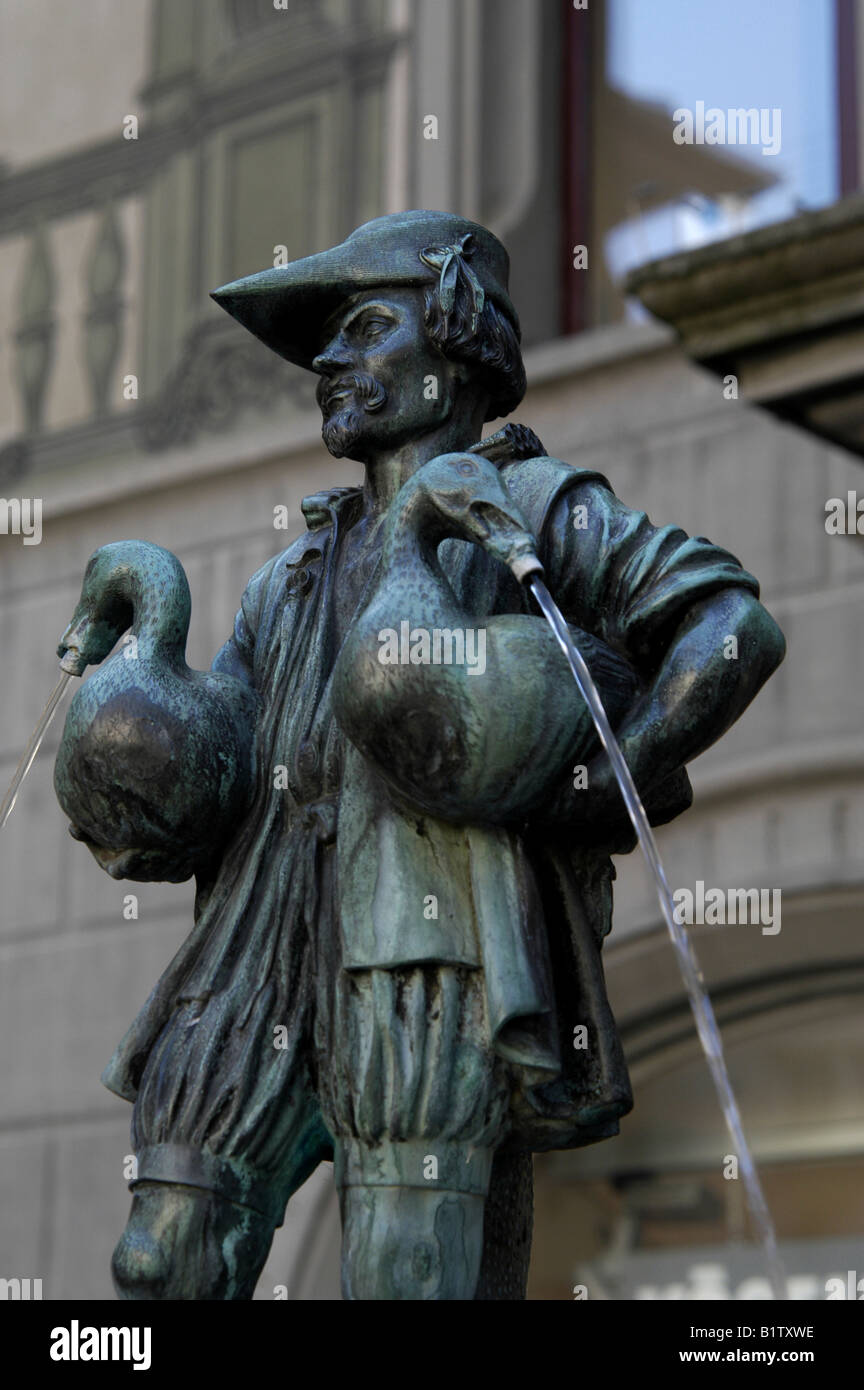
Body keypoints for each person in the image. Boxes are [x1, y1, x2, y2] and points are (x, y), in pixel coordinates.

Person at [58, 211, 785, 1300]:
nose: (330, 363)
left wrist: (604, 774)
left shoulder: (529, 506)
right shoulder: (295, 573)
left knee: (407, 1278)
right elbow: (220, 772)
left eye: (361, 327)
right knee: (159, 1262)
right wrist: (136, 728)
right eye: (324, 346)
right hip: (255, 960)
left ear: (456, 335)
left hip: (418, 965)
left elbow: (731, 627)